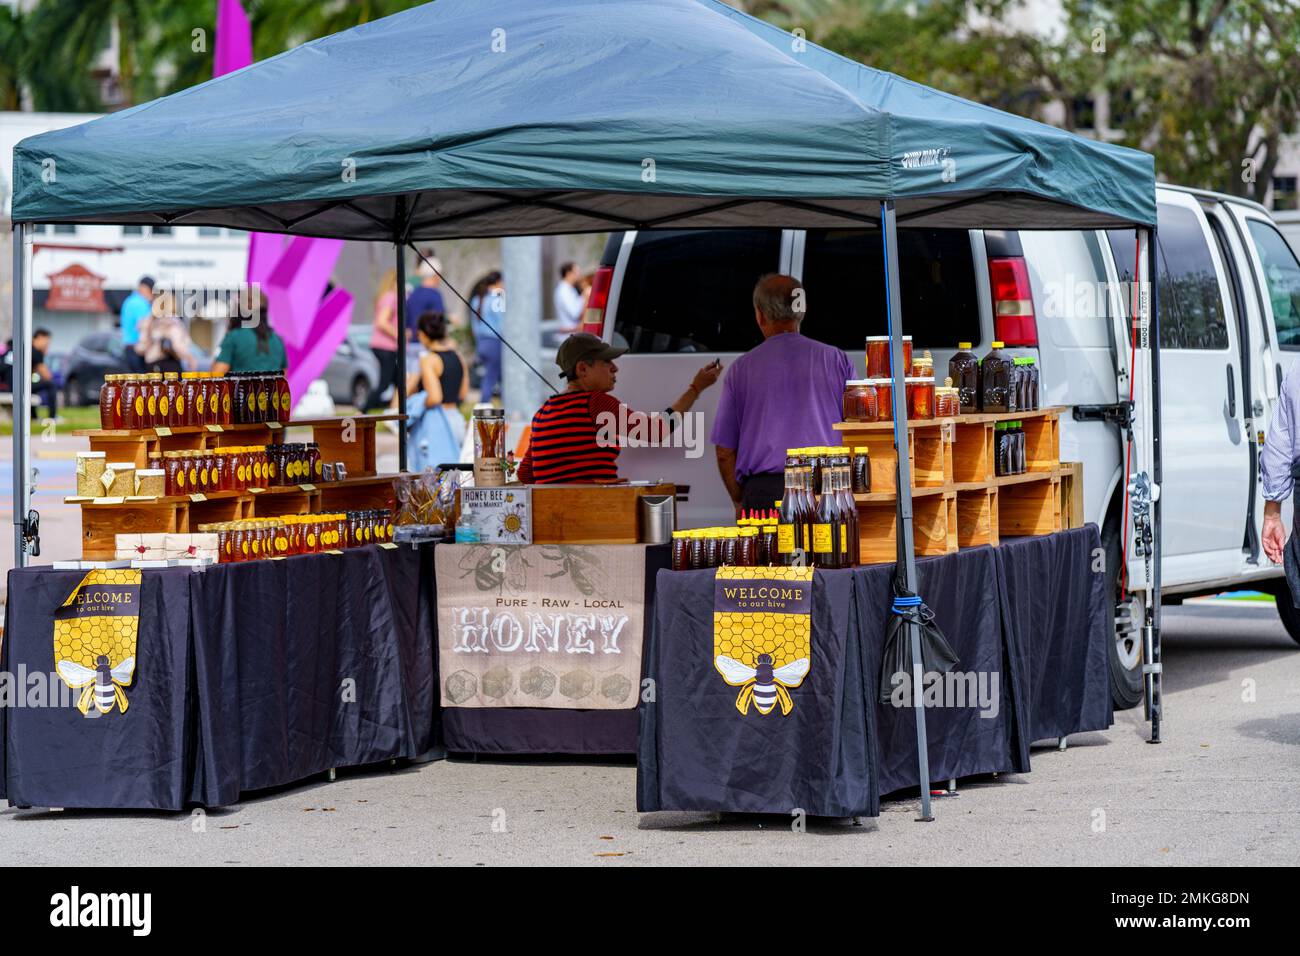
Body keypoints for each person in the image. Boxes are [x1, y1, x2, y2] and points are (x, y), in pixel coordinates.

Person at [712, 274, 854, 516]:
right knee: (827, 554)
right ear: (802, 309)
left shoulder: (741, 369)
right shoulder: (837, 359)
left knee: (770, 555)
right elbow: (858, 431)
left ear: (759, 314)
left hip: (765, 493)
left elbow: (724, 451)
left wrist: (740, 499)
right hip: (827, 488)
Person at [517, 332, 719, 484]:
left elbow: (525, 474)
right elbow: (657, 431)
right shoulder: (596, 403)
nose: (615, 367)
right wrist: (695, 388)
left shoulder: (542, 413)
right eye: (606, 362)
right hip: (594, 517)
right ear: (582, 369)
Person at [406, 311, 469, 472]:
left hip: (437, 424)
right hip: (456, 419)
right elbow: (462, 394)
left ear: (422, 334)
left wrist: (417, 403)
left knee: (432, 483)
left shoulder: (428, 359)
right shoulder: (458, 357)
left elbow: (435, 397)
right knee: (453, 479)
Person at [211, 295, 288, 375]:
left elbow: (217, 375)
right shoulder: (277, 340)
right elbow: (283, 376)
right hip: (273, 387)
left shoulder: (233, 337)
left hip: (241, 387)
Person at [468, 271, 505, 403]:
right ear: (497, 283)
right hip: (495, 343)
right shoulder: (498, 298)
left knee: (497, 376)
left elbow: (474, 327)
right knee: (492, 377)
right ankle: (483, 405)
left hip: (482, 343)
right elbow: (502, 325)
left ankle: (504, 405)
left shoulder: (477, 299)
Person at [136, 293, 194, 374]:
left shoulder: (148, 321)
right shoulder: (171, 322)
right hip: (169, 365)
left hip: (150, 365)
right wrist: (190, 359)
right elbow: (178, 346)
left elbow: (141, 347)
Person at [367, 268, 400, 410]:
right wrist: (398, 334)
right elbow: (382, 321)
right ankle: (363, 409)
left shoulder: (385, 296)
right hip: (386, 346)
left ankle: (395, 409)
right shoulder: (391, 297)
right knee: (385, 383)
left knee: (399, 380)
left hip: (382, 345)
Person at [119, 276, 154, 372]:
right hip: (138, 349)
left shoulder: (129, 301)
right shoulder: (140, 303)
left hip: (129, 348)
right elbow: (144, 325)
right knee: (143, 384)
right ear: (143, 288)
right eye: (151, 290)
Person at [30, 327, 58, 417]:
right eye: (47, 342)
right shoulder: (35, 351)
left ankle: (33, 416)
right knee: (51, 384)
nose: (47, 345)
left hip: (11, 384)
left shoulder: (26, 347)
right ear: (40, 337)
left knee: (32, 383)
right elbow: (46, 376)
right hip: (17, 387)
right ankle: (52, 416)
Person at [553, 261, 587, 331]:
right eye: (577, 272)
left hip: (572, 334)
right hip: (568, 336)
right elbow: (575, 313)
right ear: (568, 273)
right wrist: (585, 297)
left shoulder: (570, 289)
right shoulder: (563, 291)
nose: (579, 275)